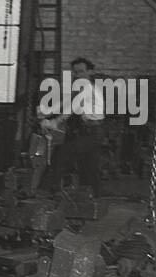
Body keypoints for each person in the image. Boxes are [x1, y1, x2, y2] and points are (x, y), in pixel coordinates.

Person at [51, 56, 105, 195]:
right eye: (76, 72)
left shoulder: (88, 88)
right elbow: (68, 101)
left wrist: (54, 122)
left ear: (90, 72)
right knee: (89, 165)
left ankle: (53, 191)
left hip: (93, 132)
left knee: (61, 152)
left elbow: (71, 108)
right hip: (90, 131)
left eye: (81, 71)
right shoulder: (83, 88)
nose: (78, 75)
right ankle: (92, 197)